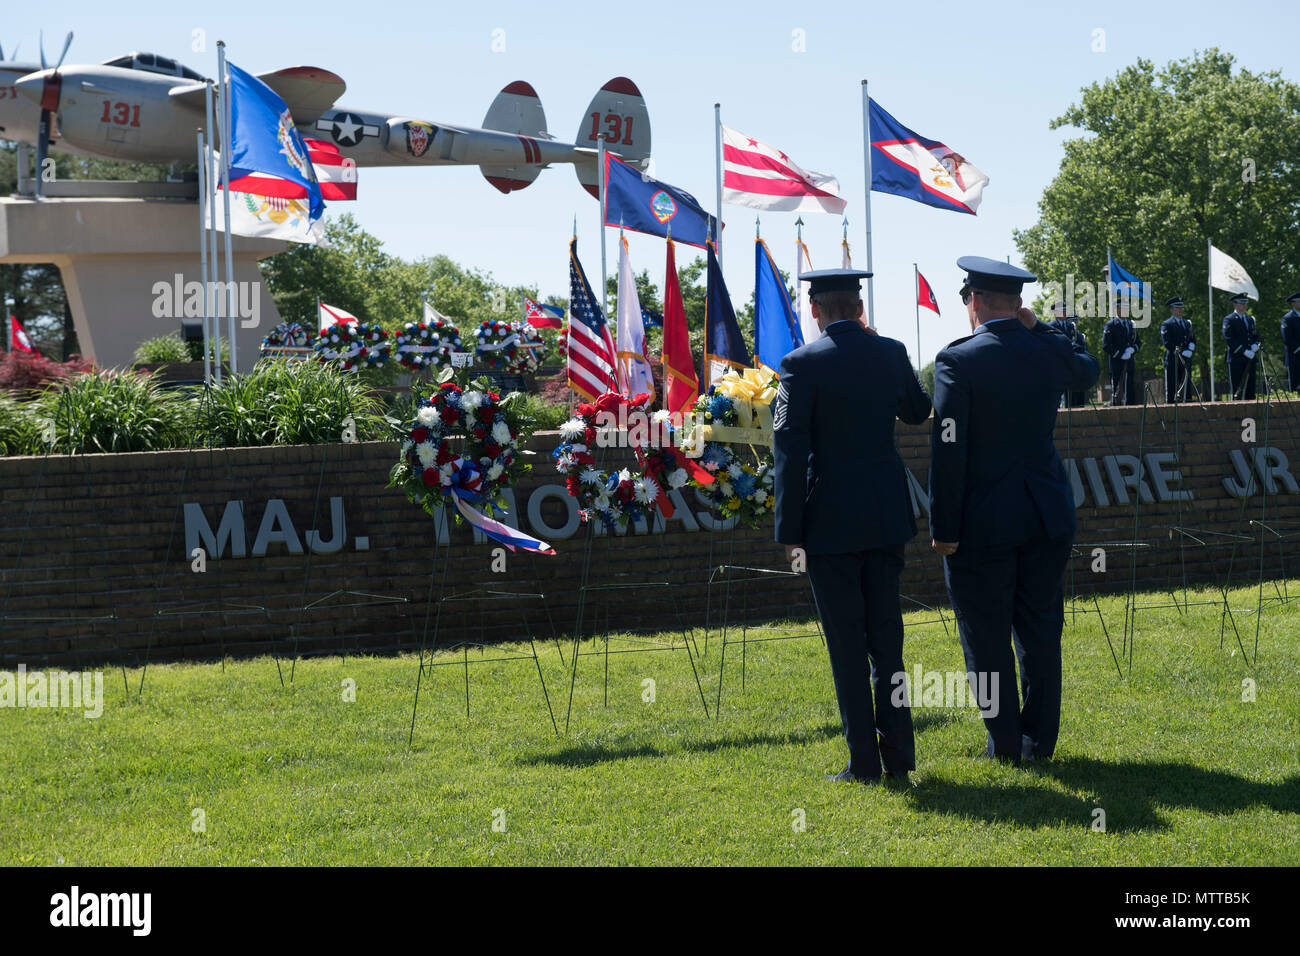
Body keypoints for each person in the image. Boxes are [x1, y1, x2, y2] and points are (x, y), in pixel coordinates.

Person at [928, 257, 1099, 763]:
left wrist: (944, 525)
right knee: (1041, 632)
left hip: (983, 521)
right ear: (1018, 304)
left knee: (985, 636)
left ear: (974, 301)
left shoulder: (958, 360)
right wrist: (1040, 328)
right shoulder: (1044, 350)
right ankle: (1037, 742)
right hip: (1045, 513)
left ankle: (1004, 743)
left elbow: (948, 448)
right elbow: (1086, 372)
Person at [773, 268, 933, 785]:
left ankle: (864, 762)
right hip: (885, 515)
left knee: (846, 644)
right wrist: (886, 353)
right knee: (888, 641)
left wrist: (788, 528)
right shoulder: (889, 351)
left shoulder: (800, 364)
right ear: (859, 308)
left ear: (816, 311)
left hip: (829, 521)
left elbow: (790, 451)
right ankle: (901, 758)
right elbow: (918, 410)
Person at [1049, 302, 1090, 407]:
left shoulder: (1070, 326)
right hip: (1058, 363)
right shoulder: (1051, 326)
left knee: (1070, 391)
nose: (1065, 312)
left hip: (1070, 362)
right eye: (1063, 310)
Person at [1223, 293, 1261, 400]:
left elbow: (1255, 335)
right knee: (1237, 390)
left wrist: (1255, 345)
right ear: (1235, 304)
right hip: (1236, 358)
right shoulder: (1229, 319)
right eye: (1241, 303)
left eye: (1245, 303)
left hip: (1250, 358)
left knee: (1251, 389)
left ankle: (1251, 415)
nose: (1244, 306)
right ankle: (1235, 415)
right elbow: (1229, 338)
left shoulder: (1250, 319)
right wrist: (1244, 351)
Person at [1159, 296, 1196, 403]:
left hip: (1186, 360)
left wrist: (1192, 347)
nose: (1181, 310)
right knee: (1172, 390)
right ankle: (1171, 416)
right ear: (1171, 309)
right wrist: (1182, 350)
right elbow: (1167, 343)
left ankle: (1187, 413)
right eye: (1177, 307)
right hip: (1173, 361)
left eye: (1182, 307)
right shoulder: (1167, 324)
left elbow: (1192, 338)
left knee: (1186, 389)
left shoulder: (1187, 324)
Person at [1102, 304, 1140, 405]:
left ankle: (1131, 411)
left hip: (1130, 363)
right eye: (1122, 308)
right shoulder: (1111, 325)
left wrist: (1133, 349)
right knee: (1117, 391)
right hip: (1116, 364)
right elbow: (1106, 345)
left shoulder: (1131, 324)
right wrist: (1120, 354)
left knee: (1130, 390)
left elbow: (1138, 342)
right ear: (1117, 310)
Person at [1280, 292, 1300, 392]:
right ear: (1293, 303)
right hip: (1294, 358)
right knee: (1293, 386)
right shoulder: (1288, 318)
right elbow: (1287, 339)